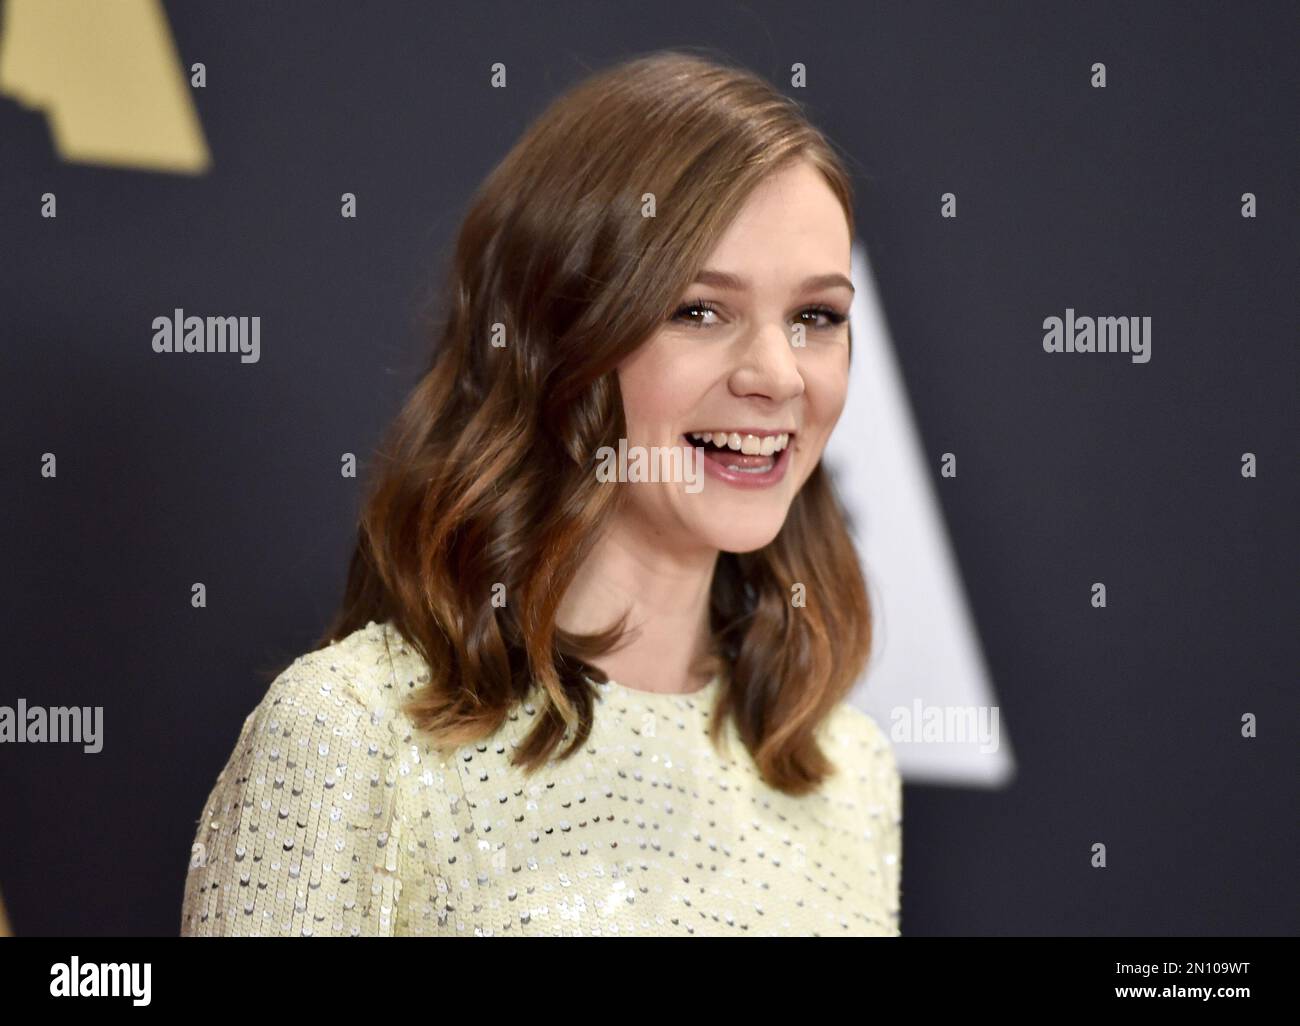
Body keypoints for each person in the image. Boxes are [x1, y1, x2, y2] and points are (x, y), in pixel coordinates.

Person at [180, 48, 901, 937]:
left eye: (815, 317)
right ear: (558, 337)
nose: (777, 376)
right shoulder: (350, 735)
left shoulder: (846, 773)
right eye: (698, 310)